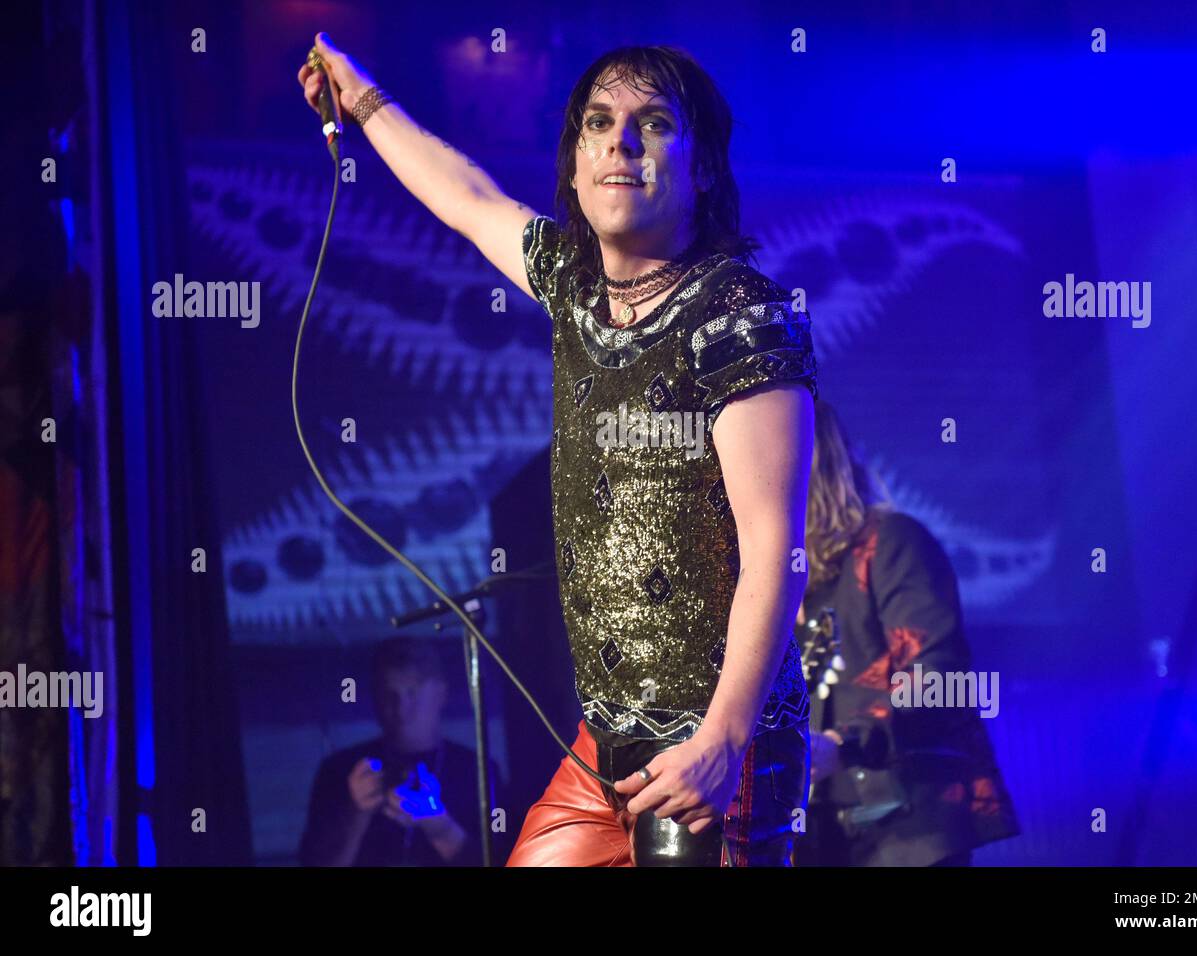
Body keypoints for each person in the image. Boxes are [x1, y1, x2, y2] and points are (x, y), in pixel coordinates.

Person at [299, 39, 816, 866]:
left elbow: (777, 553)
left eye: (654, 125)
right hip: (604, 746)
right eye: (601, 124)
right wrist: (361, 101)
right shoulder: (575, 291)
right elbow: (466, 198)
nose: (622, 143)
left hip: (714, 748)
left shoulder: (737, 314)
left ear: (705, 169)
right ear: (575, 166)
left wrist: (722, 741)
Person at [794, 399, 1020, 866]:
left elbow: (935, 675)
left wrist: (846, 744)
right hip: (817, 838)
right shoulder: (772, 582)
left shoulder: (892, 542)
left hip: (907, 828)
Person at [299, 637, 491, 866]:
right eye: (389, 693)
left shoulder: (477, 770)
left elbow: (503, 859)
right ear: (375, 697)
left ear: (440, 693)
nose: (401, 707)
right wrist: (356, 812)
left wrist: (441, 828)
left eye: (412, 692)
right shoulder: (340, 771)